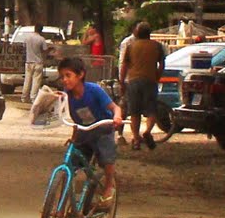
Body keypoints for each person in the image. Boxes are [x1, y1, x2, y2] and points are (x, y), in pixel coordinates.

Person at [56, 56, 122, 204]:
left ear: (80, 75)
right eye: (62, 76)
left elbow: (115, 107)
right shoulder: (67, 95)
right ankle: (62, 202)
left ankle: (109, 186)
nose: (65, 80)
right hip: (84, 131)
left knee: (106, 156)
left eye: (68, 75)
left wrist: (117, 117)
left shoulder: (94, 90)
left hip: (103, 129)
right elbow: (77, 121)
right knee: (71, 163)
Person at [117, 21, 166, 150]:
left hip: (133, 81)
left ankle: (136, 139)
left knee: (134, 112)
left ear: (137, 32)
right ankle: (147, 131)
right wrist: (157, 76)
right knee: (151, 110)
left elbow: (124, 65)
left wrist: (122, 81)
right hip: (150, 80)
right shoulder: (157, 46)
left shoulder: (131, 46)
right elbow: (162, 64)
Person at [21, 24, 49, 103]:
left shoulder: (27, 38)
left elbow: (23, 47)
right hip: (38, 62)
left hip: (28, 62)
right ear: (41, 30)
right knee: (36, 81)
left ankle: (24, 97)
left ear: (34, 29)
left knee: (27, 80)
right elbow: (45, 50)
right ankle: (33, 98)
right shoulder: (41, 39)